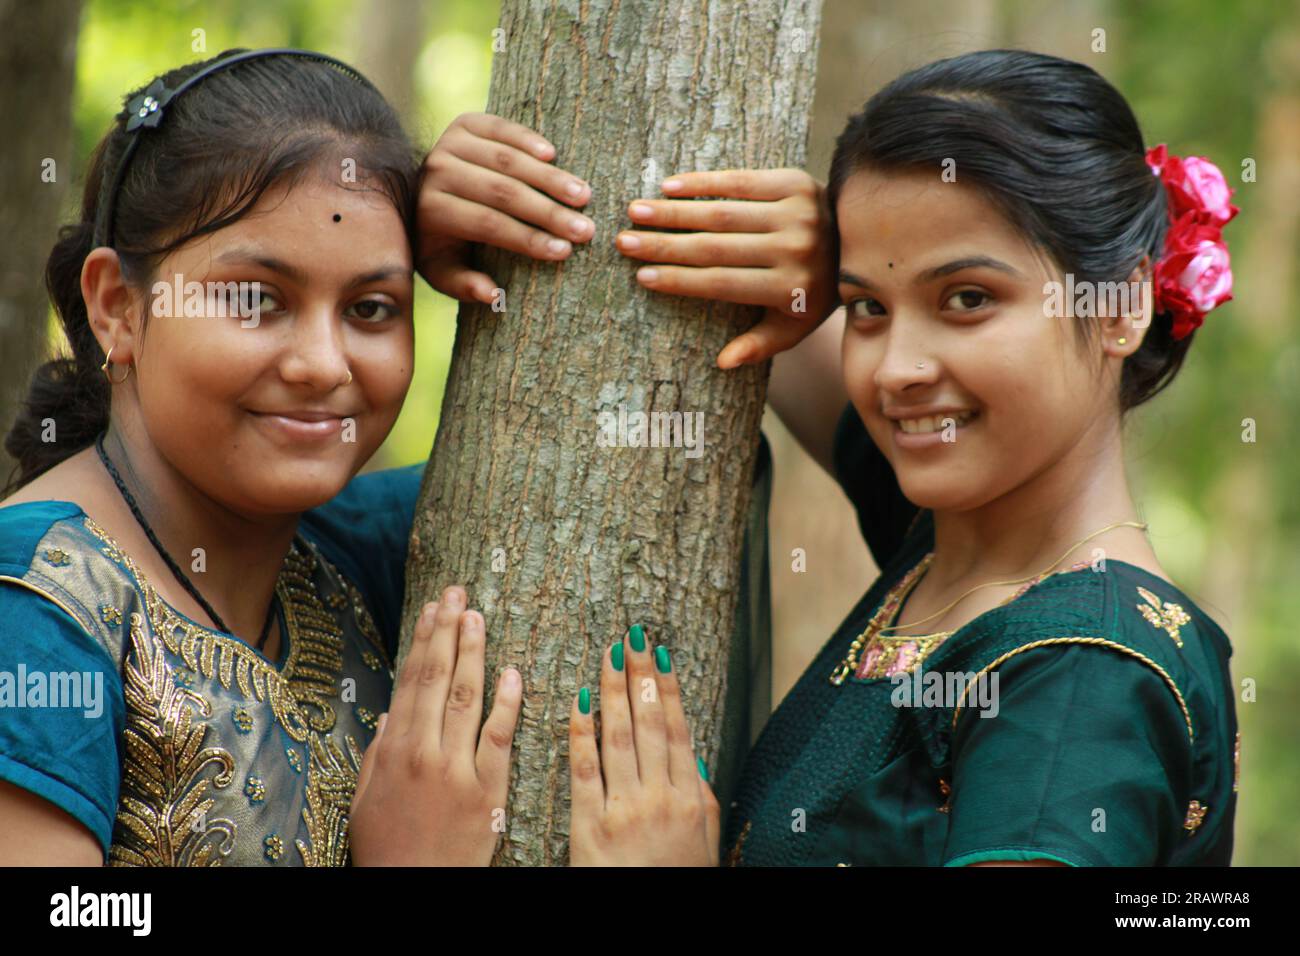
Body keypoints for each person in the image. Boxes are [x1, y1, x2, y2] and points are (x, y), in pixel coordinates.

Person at [577, 48, 1240, 866]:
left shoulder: (1080, 679)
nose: (896, 371)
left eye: (966, 298)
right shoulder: (951, 535)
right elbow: (764, 307)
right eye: (866, 308)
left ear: (1121, 306)